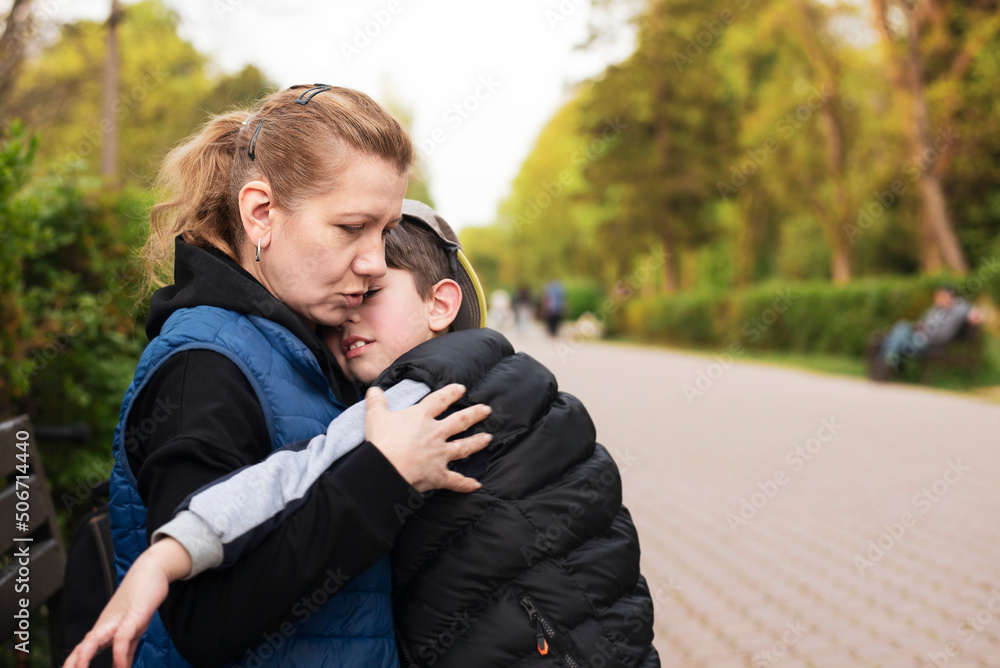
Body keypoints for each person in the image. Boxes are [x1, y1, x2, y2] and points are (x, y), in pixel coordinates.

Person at [68, 204, 659, 668]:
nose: (347, 318)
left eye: (370, 295)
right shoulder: (503, 372)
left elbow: (289, 476)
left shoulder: (413, 395)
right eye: (333, 316)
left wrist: (168, 554)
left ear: (440, 304)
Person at [102, 85, 493, 668]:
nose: (375, 262)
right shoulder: (203, 369)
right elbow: (206, 623)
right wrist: (382, 478)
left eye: (385, 231)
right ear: (261, 213)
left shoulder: (308, 342)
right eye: (351, 227)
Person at [877, 285, 982, 373]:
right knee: (902, 329)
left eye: (939, 295)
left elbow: (976, 313)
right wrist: (919, 326)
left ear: (949, 296)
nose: (936, 298)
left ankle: (885, 362)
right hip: (920, 337)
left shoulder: (959, 308)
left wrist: (975, 317)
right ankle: (887, 361)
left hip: (930, 343)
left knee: (900, 331)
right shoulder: (935, 309)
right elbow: (922, 323)